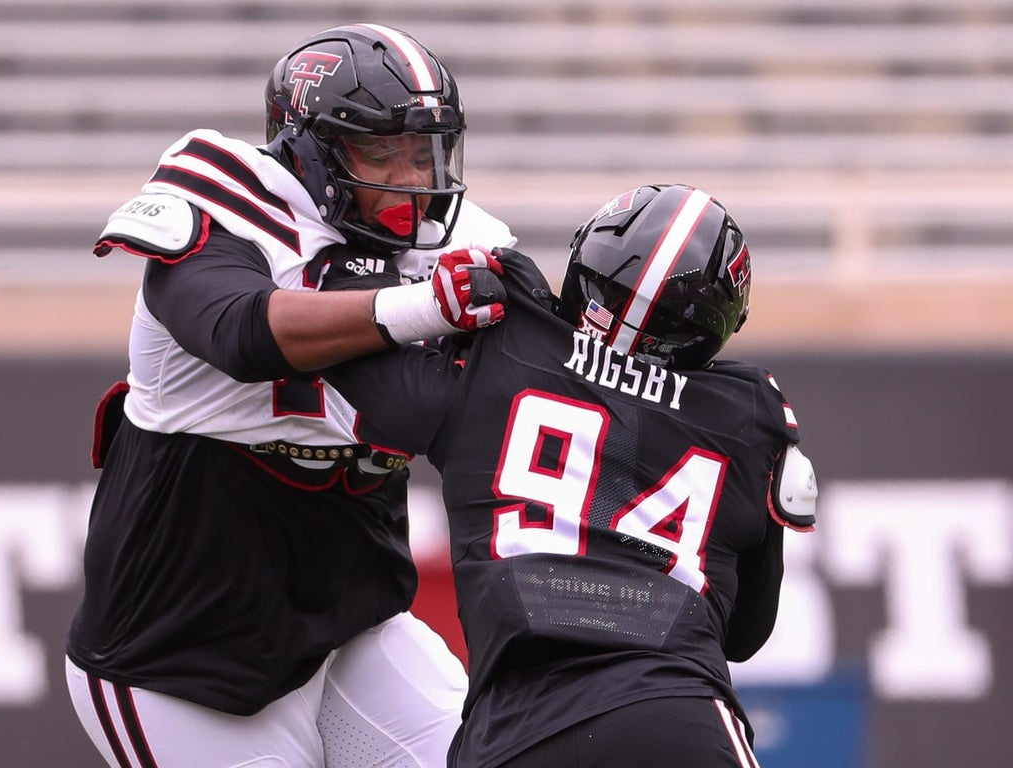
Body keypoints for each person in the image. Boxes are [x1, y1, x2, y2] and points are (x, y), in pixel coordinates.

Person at [65, 23, 514, 768]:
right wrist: (424, 308)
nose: (411, 179)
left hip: (354, 629)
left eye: (423, 152)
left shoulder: (461, 247)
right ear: (306, 148)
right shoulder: (220, 208)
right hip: (178, 658)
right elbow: (242, 332)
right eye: (381, 152)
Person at [323, 183, 819, 767]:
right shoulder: (752, 414)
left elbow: (342, 344)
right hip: (678, 717)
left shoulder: (508, 339)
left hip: (514, 734)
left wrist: (408, 290)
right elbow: (746, 634)